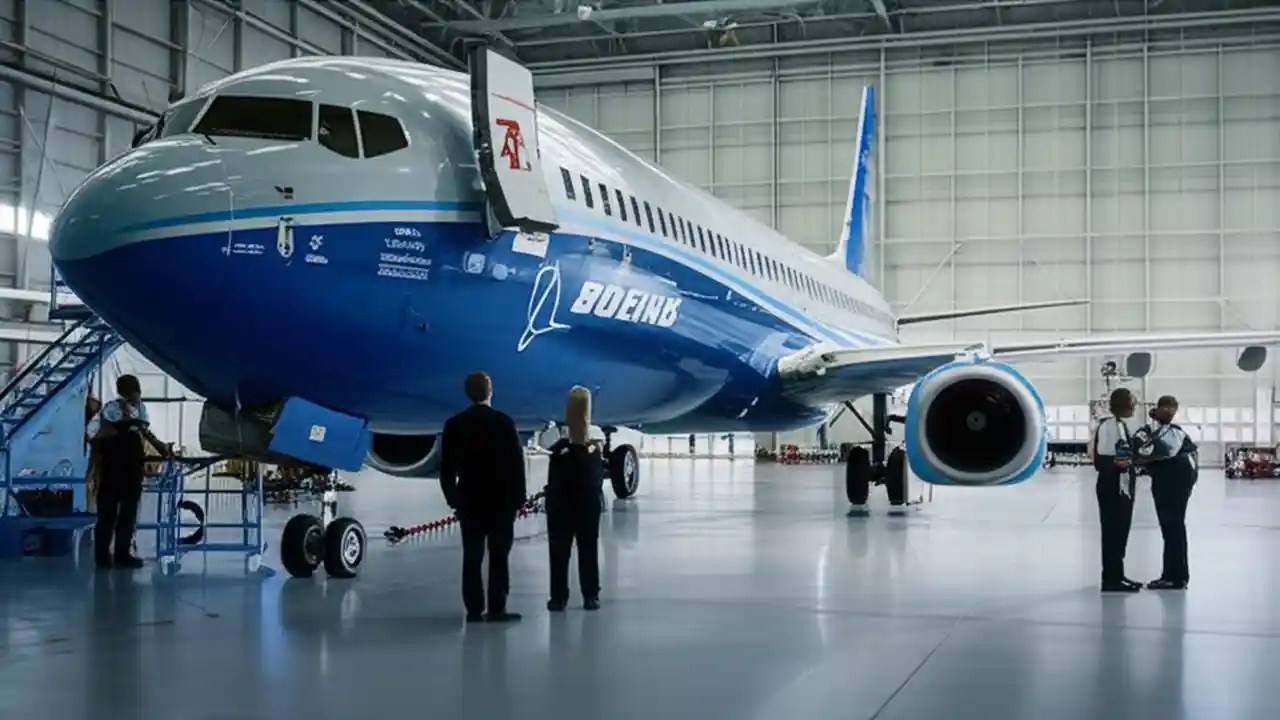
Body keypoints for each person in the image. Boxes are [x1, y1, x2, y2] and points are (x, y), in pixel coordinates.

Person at [439, 372, 528, 623]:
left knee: (472, 557)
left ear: (467, 394)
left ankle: (474, 610)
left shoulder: (454, 425)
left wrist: (454, 500)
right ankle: (497, 608)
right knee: (499, 556)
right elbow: (516, 466)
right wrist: (518, 500)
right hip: (500, 503)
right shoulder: (504, 422)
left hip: (470, 502)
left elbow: (446, 470)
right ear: (491, 392)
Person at [86, 375, 166, 570]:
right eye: (134, 391)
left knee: (124, 515)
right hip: (116, 471)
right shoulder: (112, 410)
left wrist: (162, 449)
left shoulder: (138, 411)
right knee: (110, 515)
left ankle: (118, 555)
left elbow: (145, 432)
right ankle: (106, 556)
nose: (137, 396)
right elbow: (96, 436)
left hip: (127, 471)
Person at [545, 386, 604, 612]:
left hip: (561, 505)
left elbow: (554, 479)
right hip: (586, 505)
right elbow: (595, 480)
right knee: (588, 549)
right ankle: (590, 595)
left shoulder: (559, 449)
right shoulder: (594, 449)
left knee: (559, 552)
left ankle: (558, 597)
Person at [1134, 395, 1198, 590]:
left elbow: (1150, 453)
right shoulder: (1156, 431)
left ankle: (1174, 577)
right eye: (1166, 408)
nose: (1170, 412)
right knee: (1173, 529)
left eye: (1173, 409)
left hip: (1174, 485)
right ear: (1158, 408)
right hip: (1171, 483)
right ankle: (1175, 575)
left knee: (1173, 528)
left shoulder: (1176, 433)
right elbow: (1141, 451)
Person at [1089, 388, 1142, 593]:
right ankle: (1111, 579)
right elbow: (1112, 459)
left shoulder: (1119, 425)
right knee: (1113, 532)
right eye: (1132, 401)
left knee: (1120, 531)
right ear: (1122, 404)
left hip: (1120, 484)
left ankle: (1118, 574)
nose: (1134, 405)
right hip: (1113, 485)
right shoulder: (1110, 427)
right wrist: (1140, 459)